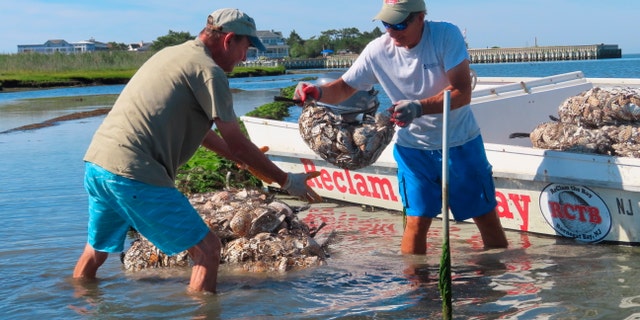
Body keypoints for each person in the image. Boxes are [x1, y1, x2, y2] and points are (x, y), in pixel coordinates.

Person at [73, 8, 321, 294]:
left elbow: (201, 131)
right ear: (229, 40)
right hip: (135, 172)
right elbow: (237, 140)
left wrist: (240, 159)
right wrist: (288, 181)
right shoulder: (209, 72)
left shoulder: (171, 54)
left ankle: (80, 305)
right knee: (207, 250)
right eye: (246, 48)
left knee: (96, 250)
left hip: (98, 164)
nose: (245, 58)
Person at [294, 0, 508, 254]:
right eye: (386, 23)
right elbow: (343, 88)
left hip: (460, 143)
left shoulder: (445, 35)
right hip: (414, 149)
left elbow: (462, 91)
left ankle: (494, 283)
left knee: (485, 217)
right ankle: (417, 289)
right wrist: (316, 91)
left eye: (399, 23)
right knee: (417, 223)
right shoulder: (377, 50)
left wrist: (418, 107)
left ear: (420, 17)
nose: (392, 30)